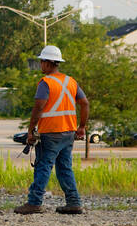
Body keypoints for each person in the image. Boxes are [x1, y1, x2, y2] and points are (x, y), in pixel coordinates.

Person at [13, 45, 89, 215]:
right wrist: (82, 126)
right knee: (64, 168)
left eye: (41, 61)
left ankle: (34, 202)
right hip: (68, 132)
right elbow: (85, 104)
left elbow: (38, 107)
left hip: (51, 133)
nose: (40, 64)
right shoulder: (71, 81)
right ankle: (74, 202)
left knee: (43, 166)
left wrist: (31, 130)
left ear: (48, 63)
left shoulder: (45, 83)